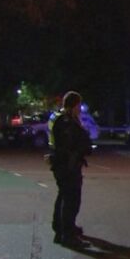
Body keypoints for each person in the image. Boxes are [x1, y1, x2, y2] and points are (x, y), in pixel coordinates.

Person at [49, 91, 92, 248]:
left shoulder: (63, 119)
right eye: (78, 105)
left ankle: (62, 229)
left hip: (65, 164)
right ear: (74, 105)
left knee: (64, 197)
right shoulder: (67, 122)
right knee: (71, 200)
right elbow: (71, 144)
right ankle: (67, 234)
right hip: (68, 165)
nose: (80, 108)